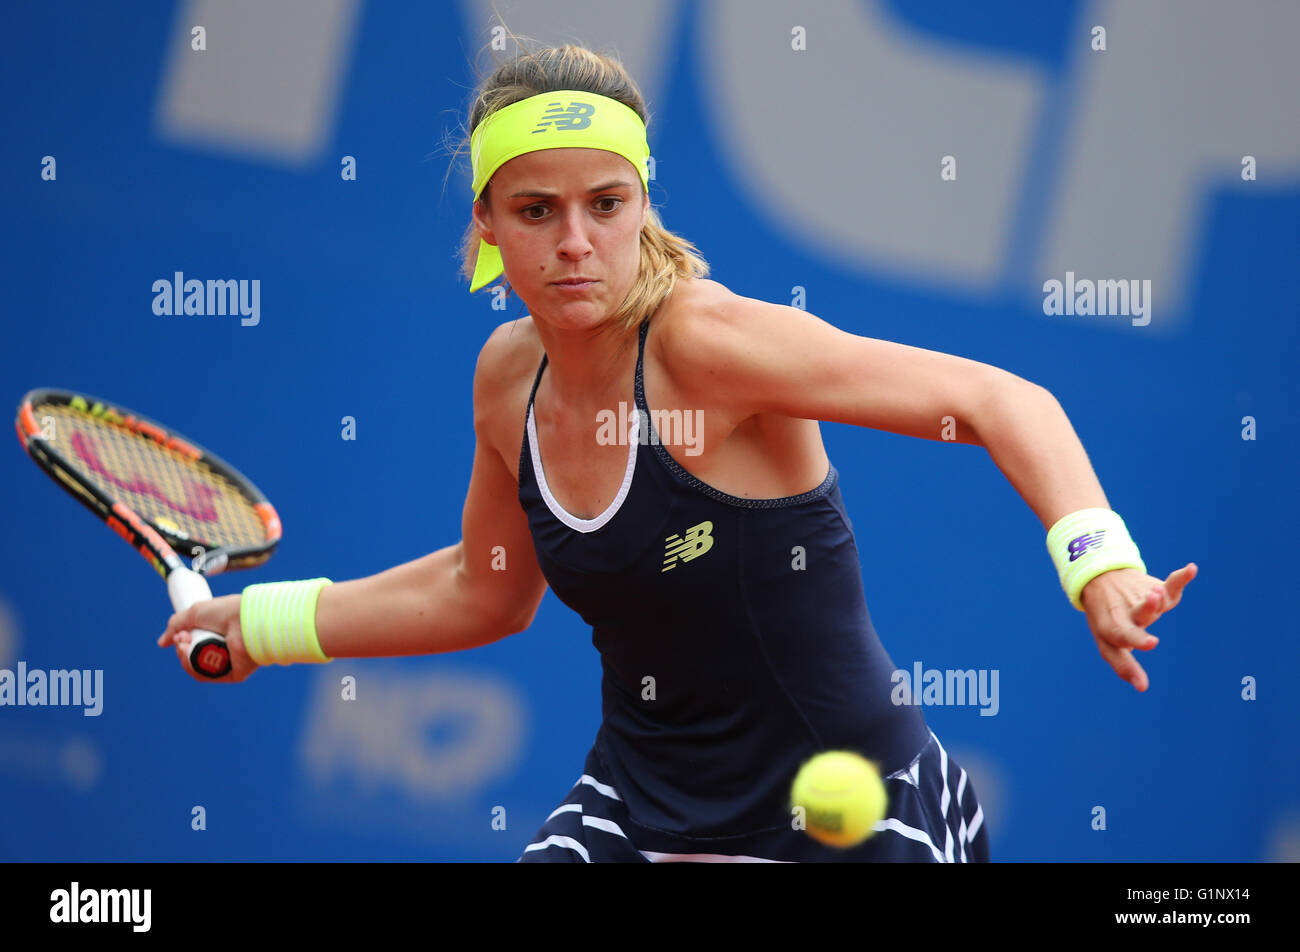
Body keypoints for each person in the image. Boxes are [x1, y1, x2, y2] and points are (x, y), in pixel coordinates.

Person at [159, 43, 1196, 863]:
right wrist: (262, 621)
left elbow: (996, 399)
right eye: (535, 211)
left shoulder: (709, 347)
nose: (575, 241)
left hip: (857, 812)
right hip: (642, 804)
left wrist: (1096, 560)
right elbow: (483, 592)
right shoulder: (503, 378)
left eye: (605, 204)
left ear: (642, 205)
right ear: (486, 226)